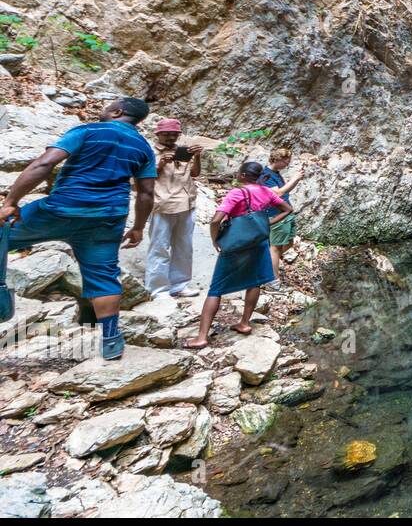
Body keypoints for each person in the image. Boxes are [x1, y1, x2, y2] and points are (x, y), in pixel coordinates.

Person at [0, 97, 157, 360]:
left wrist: (10, 202)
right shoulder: (143, 147)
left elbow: (45, 163)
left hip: (61, 209)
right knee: (103, 275)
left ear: (117, 111)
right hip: (107, 218)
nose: (103, 109)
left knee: (4, 232)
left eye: (108, 106)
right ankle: (111, 340)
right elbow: (146, 193)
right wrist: (139, 227)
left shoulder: (88, 130)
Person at [184, 161, 292, 350]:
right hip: (258, 242)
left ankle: (202, 337)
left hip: (236, 243)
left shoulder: (237, 193)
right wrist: (268, 223)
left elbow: (216, 220)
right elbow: (288, 209)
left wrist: (215, 239)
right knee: (255, 281)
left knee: (216, 289)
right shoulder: (266, 192)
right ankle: (245, 323)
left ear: (242, 175)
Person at [146, 118, 204, 298]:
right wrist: (161, 163)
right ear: (158, 134)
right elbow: (144, 176)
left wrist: (197, 157)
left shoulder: (182, 151)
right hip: (162, 204)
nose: (171, 137)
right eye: (167, 134)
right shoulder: (149, 151)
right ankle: (157, 289)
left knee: (184, 247)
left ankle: (179, 284)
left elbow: (194, 174)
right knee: (160, 247)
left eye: (174, 134)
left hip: (186, 203)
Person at [258, 148, 303, 283]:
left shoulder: (276, 173)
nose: (287, 165)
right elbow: (277, 194)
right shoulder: (266, 175)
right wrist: (295, 179)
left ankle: (266, 263)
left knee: (289, 242)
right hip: (276, 214)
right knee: (275, 247)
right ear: (276, 159)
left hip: (286, 213)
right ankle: (273, 280)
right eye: (285, 162)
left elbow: (284, 192)